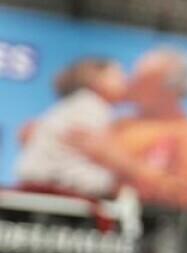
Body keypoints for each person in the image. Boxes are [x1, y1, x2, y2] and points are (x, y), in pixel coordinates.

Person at [62, 46, 187, 209]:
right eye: (135, 78)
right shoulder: (121, 124)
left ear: (171, 89)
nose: (132, 85)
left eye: (144, 82)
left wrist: (122, 164)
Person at [14, 57, 126, 196]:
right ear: (96, 80)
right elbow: (92, 168)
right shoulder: (93, 106)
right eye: (118, 76)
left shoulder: (71, 105)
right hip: (60, 189)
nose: (125, 81)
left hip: (33, 183)